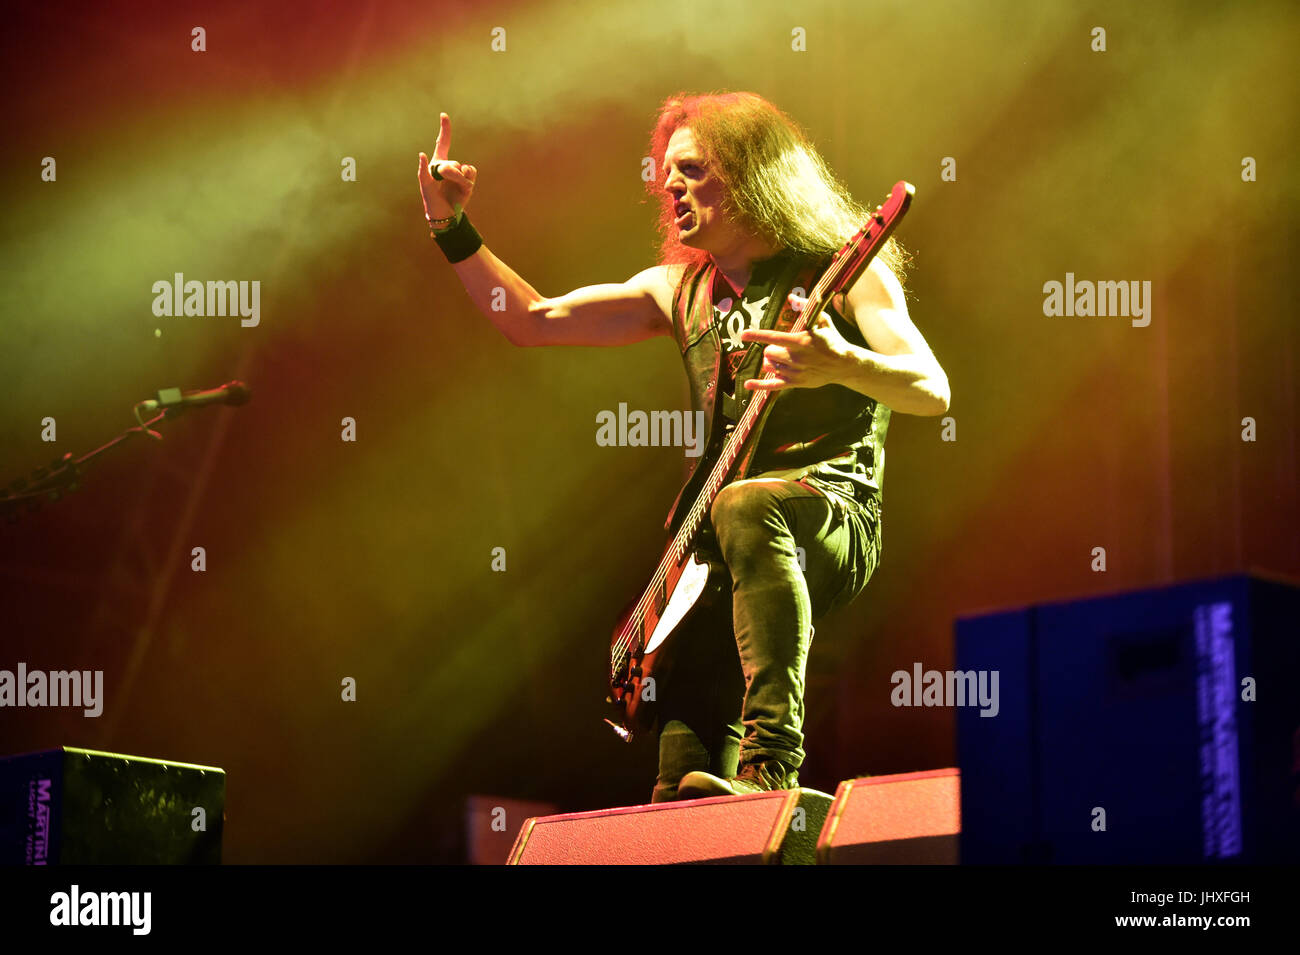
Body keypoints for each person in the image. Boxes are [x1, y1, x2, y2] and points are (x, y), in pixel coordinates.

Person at [417, 92, 949, 802]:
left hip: (830, 514)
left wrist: (840, 363)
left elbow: (930, 387)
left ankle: (772, 768)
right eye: (666, 172)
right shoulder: (676, 290)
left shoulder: (844, 273)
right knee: (679, 797)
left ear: (750, 173)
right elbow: (530, 319)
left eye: (692, 169)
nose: (668, 185)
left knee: (746, 508)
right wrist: (449, 224)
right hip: (714, 548)